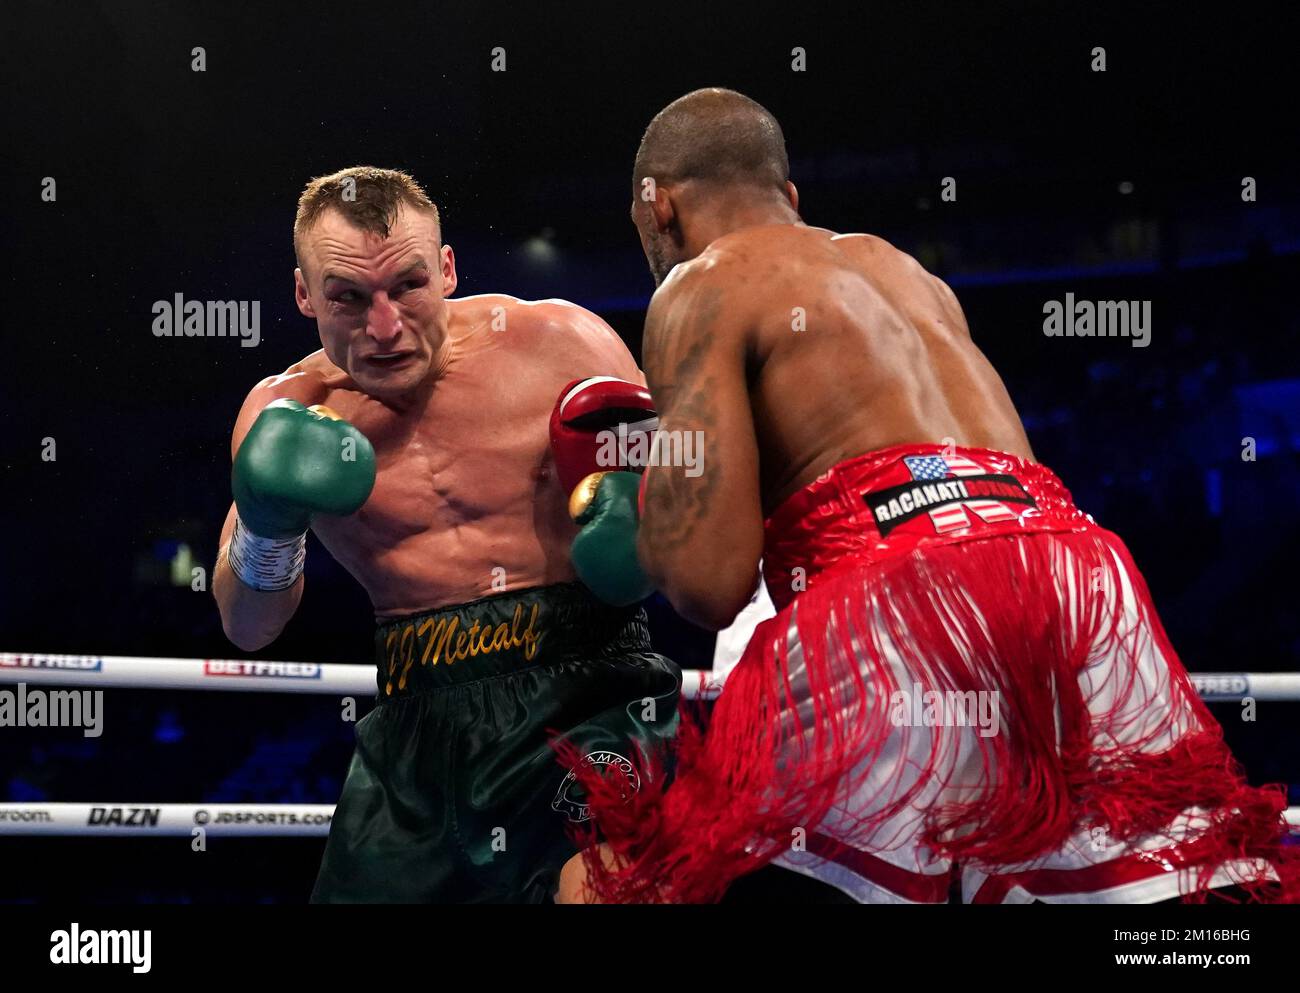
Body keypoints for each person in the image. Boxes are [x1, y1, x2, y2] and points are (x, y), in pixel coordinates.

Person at [560, 89, 1298, 904]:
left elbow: (708, 581)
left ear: (656, 205)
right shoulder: (906, 271)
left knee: (665, 875)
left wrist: (647, 502)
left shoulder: (700, 284)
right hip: (1075, 567)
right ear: (791, 197)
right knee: (1154, 904)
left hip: (896, 582)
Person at [212, 166, 679, 903]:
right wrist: (271, 523)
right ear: (305, 295)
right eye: (350, 297)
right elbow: (247, 626)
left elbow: (686, 542)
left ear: (449, 269)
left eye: (408, 285)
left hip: (590, 690)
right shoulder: (284, 411)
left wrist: (638, 527)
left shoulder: (564, 345)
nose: (386, 325)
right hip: (415, 725)